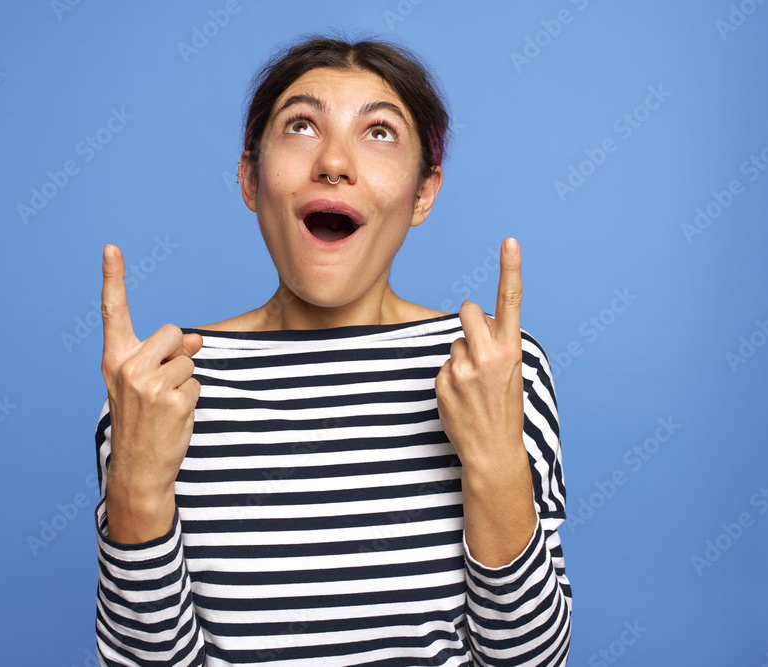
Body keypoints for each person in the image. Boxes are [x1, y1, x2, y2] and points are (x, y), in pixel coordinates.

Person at [93, 33, 571, 666]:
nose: (335, 162)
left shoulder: (492, 368)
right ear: (249, 178)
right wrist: (136, 488)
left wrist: (495, 465)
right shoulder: (158, 389)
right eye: (300, 126)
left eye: (379, 133)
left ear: (423, 193)